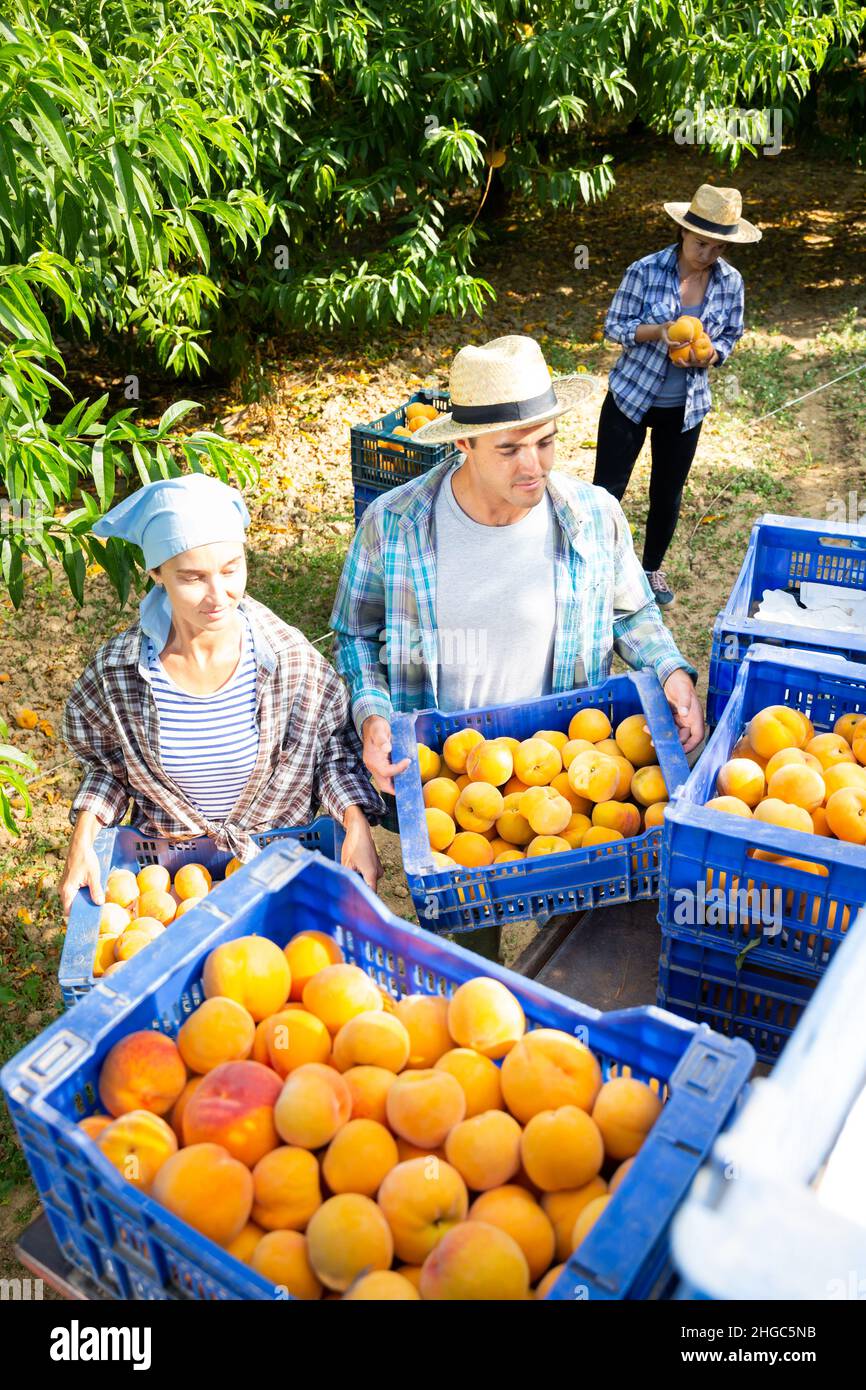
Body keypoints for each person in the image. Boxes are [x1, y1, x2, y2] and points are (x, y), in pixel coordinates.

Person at [330, 334, 704, 959]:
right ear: (462, 444)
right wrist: (371, 712)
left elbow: (633, 612)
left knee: (586, 945)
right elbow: (356, 632)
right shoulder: (395, 524)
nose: (533, 465)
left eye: (546, 442)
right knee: (465, 955)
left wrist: (668, 670)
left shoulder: (592, 516)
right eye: (509, 449)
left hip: (573, 776)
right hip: (458, 776)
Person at [58, 473, 384, 916]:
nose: (218, 595)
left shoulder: (291, 662)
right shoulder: (120, 676)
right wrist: (84, 836)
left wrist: (356, 822)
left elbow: (331, 755)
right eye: (193, 577)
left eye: (231, 569)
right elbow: (110, 770)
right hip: (172, 885)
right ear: (156, 573)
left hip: (278, 871)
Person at [593, 183, 761, 606]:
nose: (706, 254)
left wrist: (710, 355)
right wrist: (661, 332)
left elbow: (731, 335)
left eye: (718, 247)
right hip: (631, 399)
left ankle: (651, 569)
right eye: (701, 243)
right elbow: (614, 327)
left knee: (667, 492)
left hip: (685, 408)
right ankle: (598, 569)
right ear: (683, 232)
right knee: (607, 489)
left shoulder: (730, 282)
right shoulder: (645, 271)